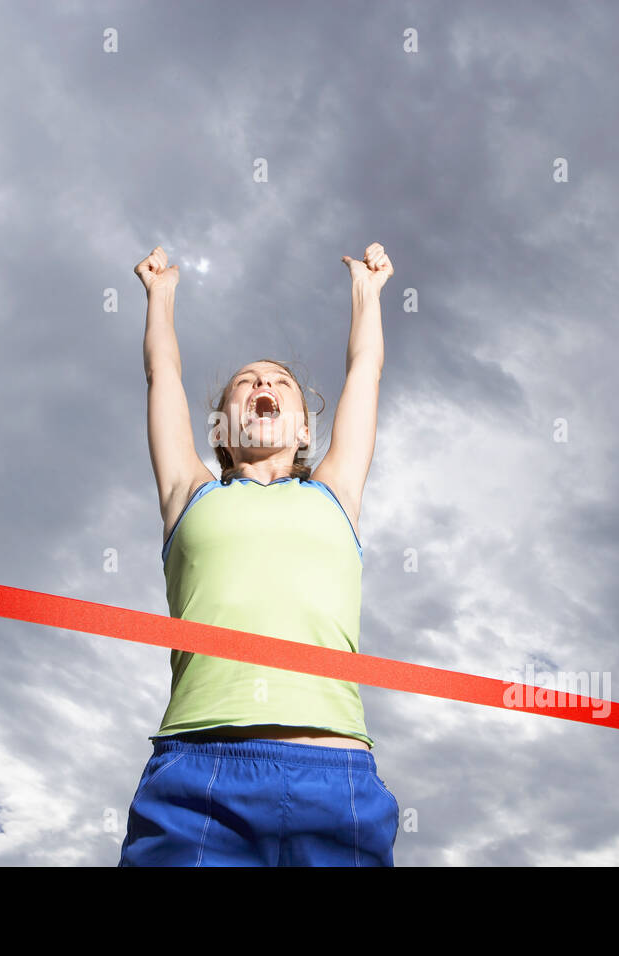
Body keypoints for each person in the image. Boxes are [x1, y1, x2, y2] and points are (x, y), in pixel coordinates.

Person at [119, 242, 398, 866]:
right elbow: (162, 375)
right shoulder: (187, 493)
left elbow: (365, 371)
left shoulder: (336, 492)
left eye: (280, 382)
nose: (263, 385)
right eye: (246, 382)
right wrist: (160, 296)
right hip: (197, 778)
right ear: (218, 428)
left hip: (336, 777)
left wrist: (368, 292)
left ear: (305, 429)